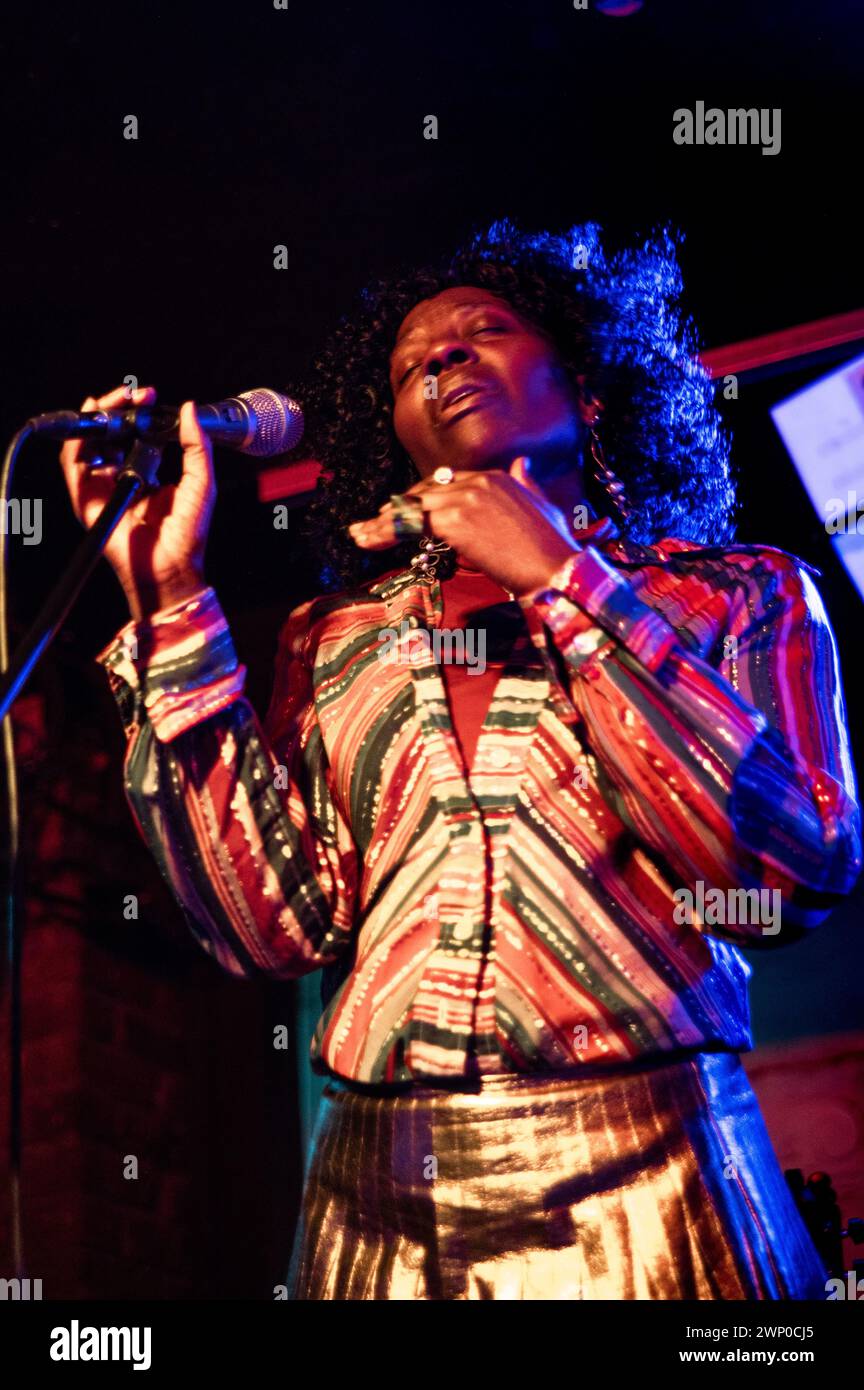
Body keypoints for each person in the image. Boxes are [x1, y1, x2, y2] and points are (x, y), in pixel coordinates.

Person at [60, 220, 861, 1300]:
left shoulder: (740, 594)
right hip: (376, 1185)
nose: (440, 357)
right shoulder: (332, 638)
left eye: (482, 331)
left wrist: (565, 580)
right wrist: (168, 598)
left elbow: (787, 867)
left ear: (588, 390)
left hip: (652, 1163)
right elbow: (269, 929)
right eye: (409, 367)